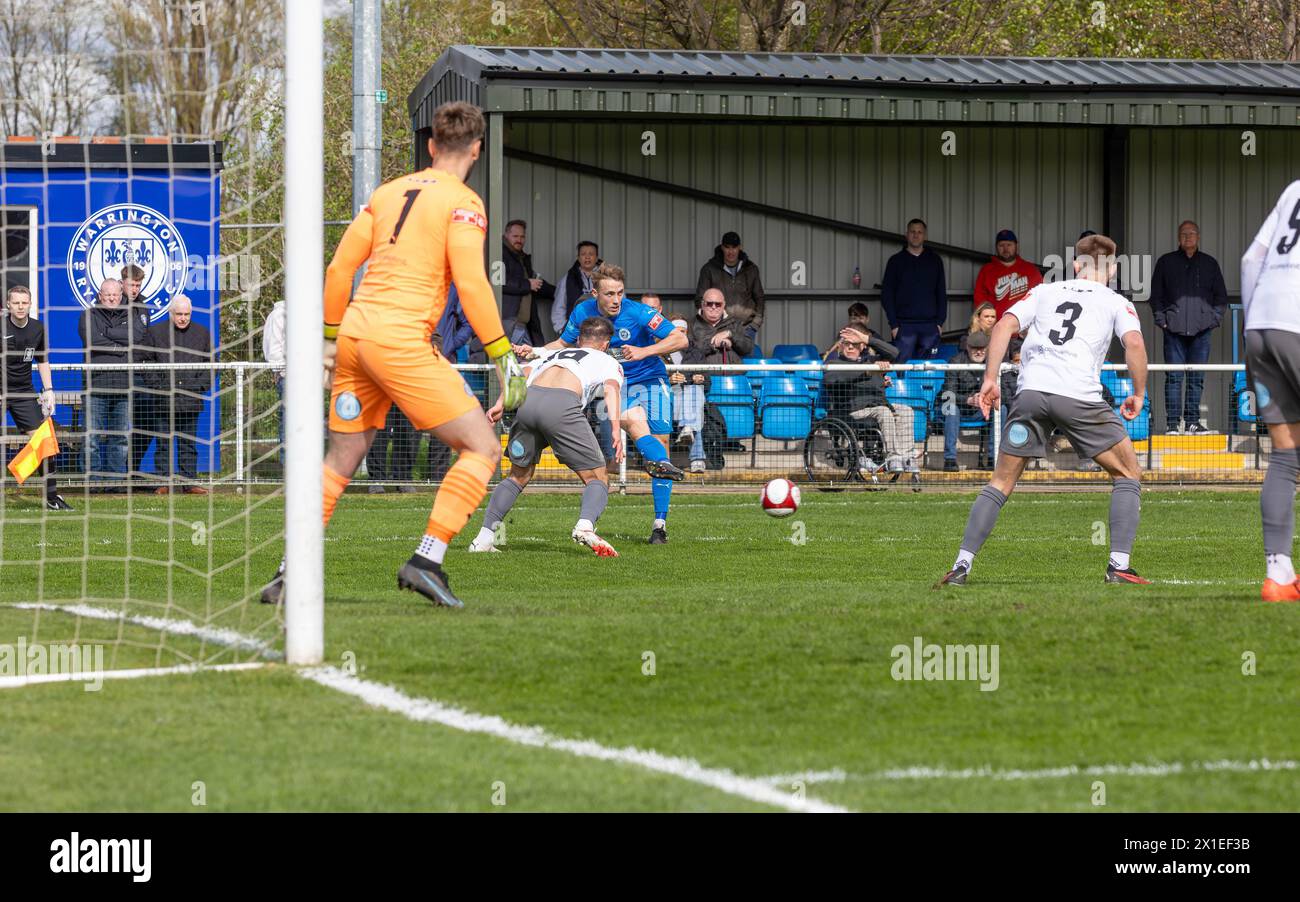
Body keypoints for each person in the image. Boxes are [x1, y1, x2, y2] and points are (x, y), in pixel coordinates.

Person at [260, 100, 526, 610]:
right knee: (484, 448)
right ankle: (426, 560)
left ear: (430, 146)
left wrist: (330, 340)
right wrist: (502, 354)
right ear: (476, 148)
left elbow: (339, 270)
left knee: (339, 460)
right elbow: (471, 281)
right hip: (401, 340)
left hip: (356, 336)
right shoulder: (464, 200)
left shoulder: (385, 193)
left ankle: (290, 572)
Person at [935, 233, 1150, 588]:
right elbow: (1135, 343)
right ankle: (1119, 566)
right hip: (1079, 396)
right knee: (1128, 473)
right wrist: (1138, 393)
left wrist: (990, 379)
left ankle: (961, 565)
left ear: (1076, 265)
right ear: (1110, 270)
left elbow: (1004, 325)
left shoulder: (1045, 291)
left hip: (1031, 392)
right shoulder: (1115, 301)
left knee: (1001, 482)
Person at [470, 317, 674, 557]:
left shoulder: (554, 355)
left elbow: (522, 373)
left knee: (517, 475)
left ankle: (483, 539)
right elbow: (611, 389)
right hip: (562, 405)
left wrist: (500, 404)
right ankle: (585, 527)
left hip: (528, 402)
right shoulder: (607, 359)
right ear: (606, 343)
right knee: (597, 477)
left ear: (579, 339)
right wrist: (616, 429)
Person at [528, 263, 688, 543]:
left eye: (620, 293)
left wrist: (644, 350)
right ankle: (655, 465)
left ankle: (659, 524)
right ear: (595, 293)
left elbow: (680, 338)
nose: (616, 300)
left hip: (652, 380)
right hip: (618, 383)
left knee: (660, 446)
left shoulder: (639, 313)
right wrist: (535, 351)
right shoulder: (582, 312)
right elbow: (564, 344)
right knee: (633, 421)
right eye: (610, 294)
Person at [1240, 179, 1300, 602]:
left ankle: (1278, 576)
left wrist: (1250, 326)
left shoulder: (1294, 188)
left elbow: (1250, 259)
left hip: (1260, 326)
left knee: (1284, 453)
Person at [1149, 220, 1229, 434]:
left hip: (1202, 332)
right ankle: (1172, 424)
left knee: (1196, 379)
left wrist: (1214, 319)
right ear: (1178, 237)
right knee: (1174, 378)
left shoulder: (1209, 264)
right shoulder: (1165, 262)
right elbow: (1155, 295)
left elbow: (1221, 297)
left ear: (1198, 237)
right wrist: (1161, 320)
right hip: (1173, 331)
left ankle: (1192, 422)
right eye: (1184, 233)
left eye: (1192, 233)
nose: (1188, 237)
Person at [1, 286, 71, 509]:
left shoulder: (38, 328)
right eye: (16, 303)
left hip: (24, 394)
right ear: (8, 305)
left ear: (30, 304)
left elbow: (42, 361)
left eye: (24, 302)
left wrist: (49, 390)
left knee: (45, 442)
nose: (20, 307)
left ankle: (52, 498)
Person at [823, 325, 917, 476]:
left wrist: (867, 339)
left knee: (906, 410)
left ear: (862, 346)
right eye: (847, 344)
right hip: (852, 412)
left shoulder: (872, 360)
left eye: (855, 344)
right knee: (884, 412)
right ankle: (893, 457)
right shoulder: (835, 364)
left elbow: (895, 353)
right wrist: (868, 370)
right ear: (841, 346)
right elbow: (832, 380)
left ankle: (905, 457)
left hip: (879, 406)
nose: (850, 347)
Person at [144, 295, 212, 494]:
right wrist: (158, 387)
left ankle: (189, 483)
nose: (183, 318)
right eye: (179, 314)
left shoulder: (202, 333)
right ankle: (162, 482)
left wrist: (199, 387)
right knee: (163, 443)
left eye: (187, 314)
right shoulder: (155, 333)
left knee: (188, 444)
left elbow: (212, 365)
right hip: (163, 399)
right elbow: (145, 363)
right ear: (171, 313)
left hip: (190, 398)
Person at [683, 288, 754, 472]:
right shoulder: (691, 324)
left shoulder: (735, 324)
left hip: (733, 383)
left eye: (718, 304)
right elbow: (688, 348)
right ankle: (703, 456)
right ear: (702, 305)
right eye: (709, 304)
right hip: (703, 384)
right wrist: (713, 342)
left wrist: (730, 335)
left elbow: (748, 347)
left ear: (723, 306)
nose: (713, 308)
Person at [78, 278, 138, 490]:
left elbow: (137, 337)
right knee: (91, 440)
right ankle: (92, 483)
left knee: (120, 440)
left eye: (115, 294)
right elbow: (92, 340)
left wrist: (107, 335)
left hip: (123, 388)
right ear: (100, 295)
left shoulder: (132, 314)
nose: (112, 298)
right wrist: (120, 346)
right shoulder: (88, 315)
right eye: (107, 294)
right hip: (96, 386)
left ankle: (115, 483)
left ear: (121, 295)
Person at [881, 218, 947, 361]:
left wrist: (939, 323)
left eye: (919, 232)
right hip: (904, 325)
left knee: (928, 370)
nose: (916, 235)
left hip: (930, 326)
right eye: (912, 232)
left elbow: (941, 293)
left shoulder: (935, 260)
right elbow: (887, 294)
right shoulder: (896, 261)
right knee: (902, 369)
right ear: (907, 234)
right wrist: (894, 325)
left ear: (925, 236)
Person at [122, 264, 159, 484]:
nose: (134, 289)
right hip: (117, 373)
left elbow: (145, 338)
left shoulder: (143, 305)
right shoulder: (113, 302)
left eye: (137, 284)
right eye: (131, 284)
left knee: (146, 423)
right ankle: (110, 475)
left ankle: (131, 469)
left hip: (140, 373)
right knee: (114, 426)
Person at [696, 231, 765, 344]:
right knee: (719, 360)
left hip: (745, 328)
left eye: (734, 247)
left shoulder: (751, 269)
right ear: (722, 247)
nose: (731, 251)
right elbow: (700, 299)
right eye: (727, 247)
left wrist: (754, 325)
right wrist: (710, 324)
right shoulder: (709, 269)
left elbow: (759, 298)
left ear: (740, 248)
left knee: (744, 361)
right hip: (717, 329)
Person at [942, 330, 994, 472]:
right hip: (958, 408)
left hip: (982, 410)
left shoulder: (993, 363)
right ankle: (950, 459)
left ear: (987, 348)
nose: (978, 352)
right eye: (975, 348)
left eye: (982, 348)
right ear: (968, 347)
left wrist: (988, 400)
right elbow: (947, 393)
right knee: (950, 408)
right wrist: (968, 399)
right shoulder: (955, 361)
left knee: (1001, 409)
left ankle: (992, 458)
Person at [500, 219, 555, 346]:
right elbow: (499, 283)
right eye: (515, 236)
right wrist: (527, 284)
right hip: (508, 321)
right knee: (510, 361)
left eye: (522, 236)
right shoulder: (499, 253)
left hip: (522, 324)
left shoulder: (521, 258)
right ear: (506, 235)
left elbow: (536, 282)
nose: (519, 240)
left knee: (528, 360)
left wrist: (560, 292)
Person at [973, 229, 1043, 319]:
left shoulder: (1031, 270)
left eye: (1009, 245)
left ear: (1016, 246)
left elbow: (1040, 298)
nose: (1005, 249)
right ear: (996, 247)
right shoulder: (987, 270)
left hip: (1025, 327)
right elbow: (979, 299)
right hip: (996, 327)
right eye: (1001, 245)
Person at [551, 241, 600, 336]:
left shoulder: (606, 277)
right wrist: (562, 329)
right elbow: (559, 307)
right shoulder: (568, 279)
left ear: (597, 257)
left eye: (591, 254)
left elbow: (619, 301)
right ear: (578, 258)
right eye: (583, 254)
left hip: (602, 330)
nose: (587, 257)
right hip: (576, 331)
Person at [261, 300, 286, 465]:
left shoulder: (312, 312)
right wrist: (283, 372)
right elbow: (273, 351)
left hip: (312, 378)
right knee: (289, 423)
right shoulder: (278, 315)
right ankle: (289, 468)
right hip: (289, 378)